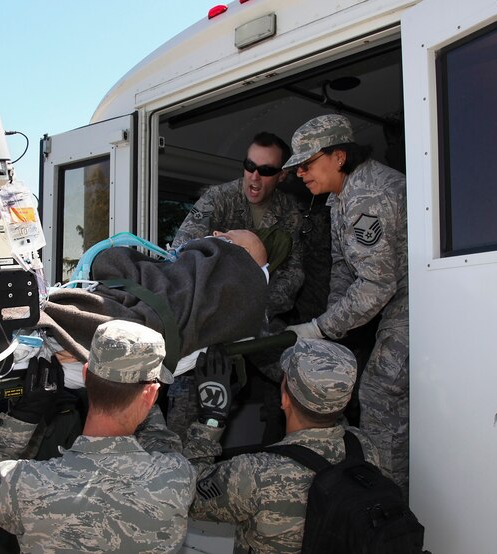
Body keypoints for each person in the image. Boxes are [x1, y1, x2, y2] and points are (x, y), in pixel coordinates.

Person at [0, 319, 197, 553]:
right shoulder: (175, 478)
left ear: (86, 375)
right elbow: (163, 444)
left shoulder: (27, 485)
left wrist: (24, 416)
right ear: (151, 394)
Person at [282, 114, 409, 493]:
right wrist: (330, 328)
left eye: (307, 164)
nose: (301, 174)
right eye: (298, 167)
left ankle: (387, 498)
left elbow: (375, 283)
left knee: (379, 392)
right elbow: (343, 268)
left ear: (338, 157)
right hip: (391, 298)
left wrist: (321, 328)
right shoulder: (340, 196)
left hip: (412, 299)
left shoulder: (368, 195)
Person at [185, 338, 380, 553]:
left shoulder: (255, 473)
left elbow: (185, 494)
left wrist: (211, 418)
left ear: (284, 398)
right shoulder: (364, 447)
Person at [39, 230, 271, 367]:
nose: (217, 234)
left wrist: (86, 337)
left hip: (140, 315)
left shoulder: (237, 286)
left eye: (228, 239)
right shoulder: (182, 269)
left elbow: (175, 308)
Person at [171, 131, 304, 327]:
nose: (255, 176)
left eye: (266, 170)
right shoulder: (217, 199)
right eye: (250, 166)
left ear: (282, 175)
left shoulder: (289, 213)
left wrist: (259, 308)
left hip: (264, 312)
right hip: (208, 311)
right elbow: (181, 253)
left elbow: (293, 273)